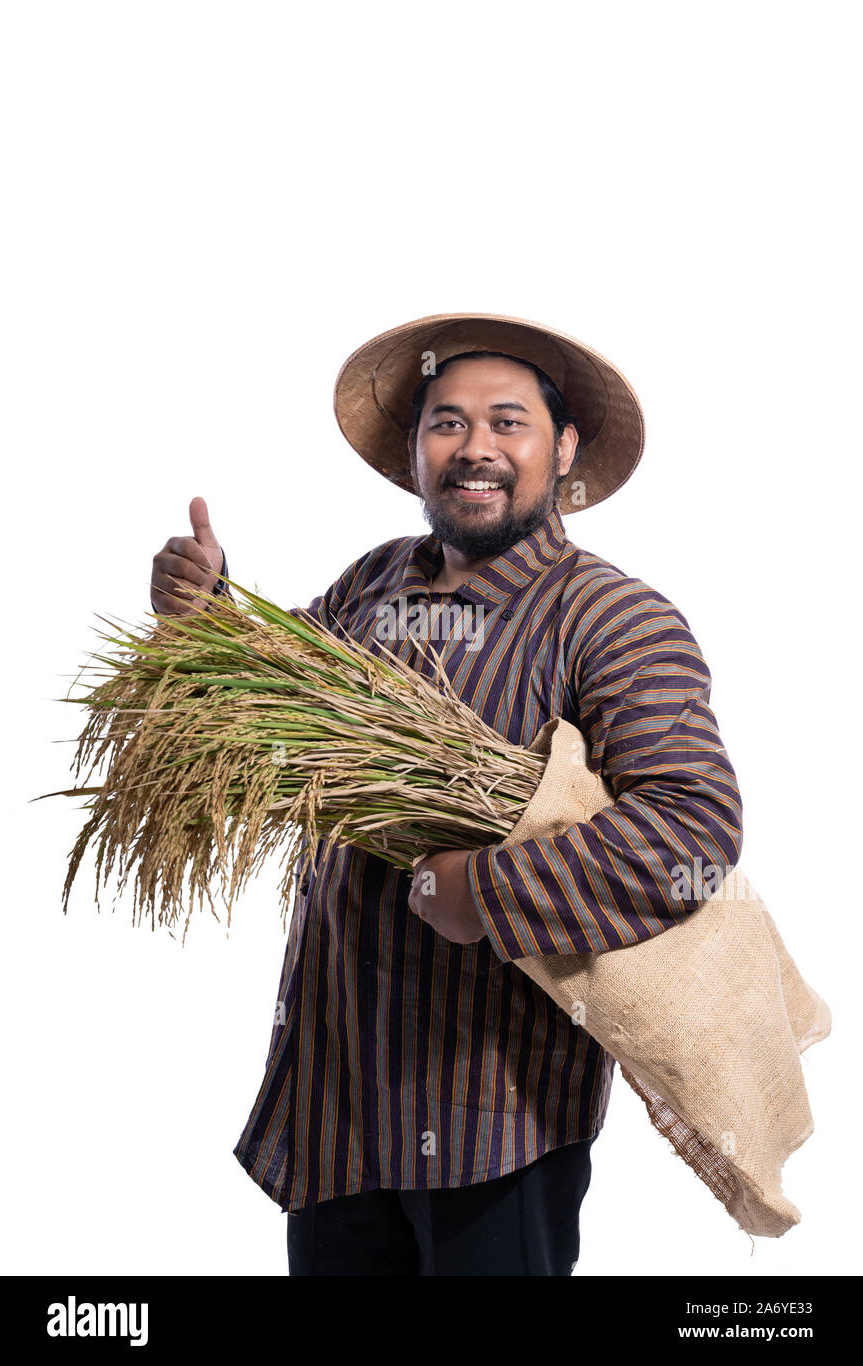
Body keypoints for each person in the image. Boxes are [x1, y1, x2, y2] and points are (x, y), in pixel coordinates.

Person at [150, 313, 744, 1276]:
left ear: (565, 448)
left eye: (508, 423)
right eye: (447, 423)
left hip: (493, 1119)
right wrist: (212, 616)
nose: (476, 449)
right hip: (337, 1096)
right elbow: (277, 705)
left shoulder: (610, 617)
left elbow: (695, 829)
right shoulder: (375, 584)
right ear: (418, 450)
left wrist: (489, 893)